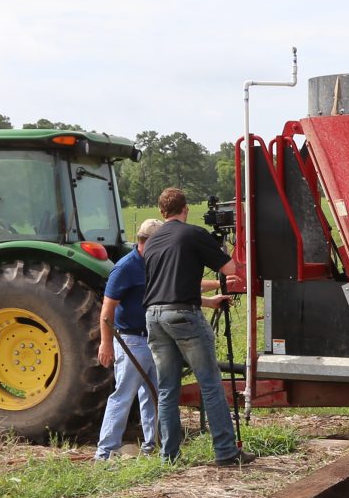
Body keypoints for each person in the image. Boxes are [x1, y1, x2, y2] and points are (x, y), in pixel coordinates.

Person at [142, 187, 251, 466]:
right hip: (183, 317)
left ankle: (169, 455)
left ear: (161, 212)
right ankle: (226, 451)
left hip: (154, 317)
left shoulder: (152, 242)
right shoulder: (193, 234)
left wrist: (207, 301)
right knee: (210, 383)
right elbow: (229, 271)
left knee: (167, 388)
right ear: (185, 209)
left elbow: (165, 287)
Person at [94, 218, 162, 461]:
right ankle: (105, 453)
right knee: (123, 395)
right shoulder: (126, 267)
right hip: (131, 341)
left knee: (153, 394)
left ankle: (151, 445)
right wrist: (106, 343)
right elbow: (107, 309)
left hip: (154, 339)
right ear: (147, 242)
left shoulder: (154, 263)